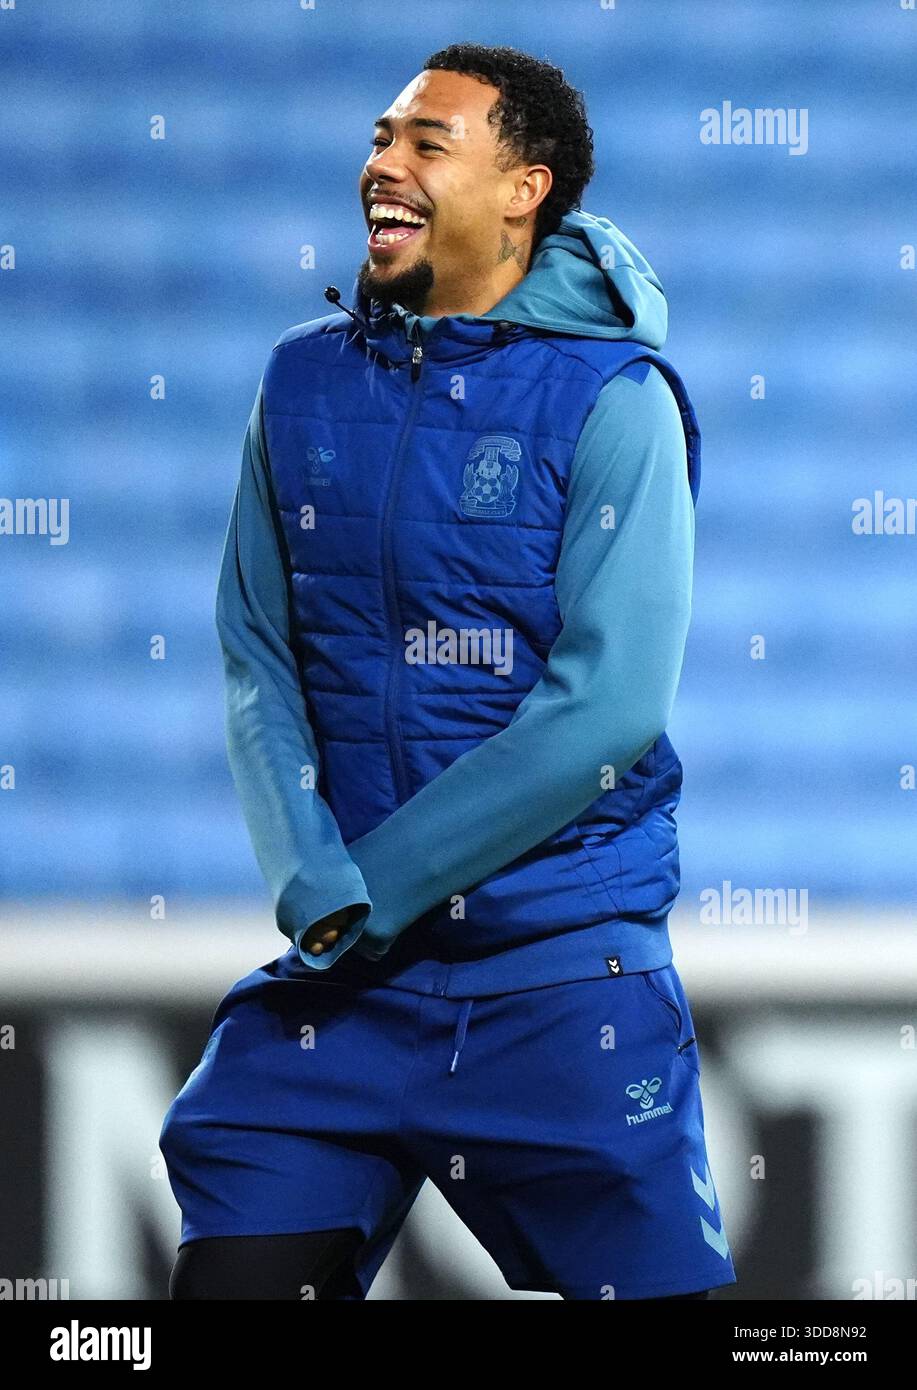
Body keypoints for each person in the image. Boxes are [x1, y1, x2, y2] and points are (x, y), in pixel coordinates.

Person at [159, 42, 736, 1302]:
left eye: (427, 142)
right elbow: (257, 650)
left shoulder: (614, 398)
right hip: (343, 994)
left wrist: (370, 884)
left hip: (556, 987)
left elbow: (607, 708)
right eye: (381, 137)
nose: (383, 163)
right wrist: (306, 875)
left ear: (523, 189)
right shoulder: (298, 379)